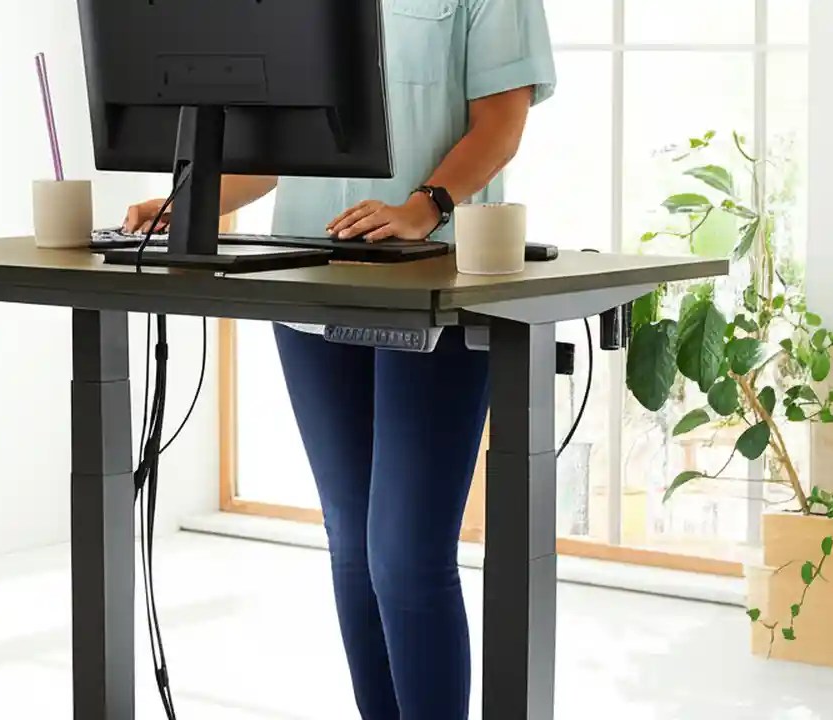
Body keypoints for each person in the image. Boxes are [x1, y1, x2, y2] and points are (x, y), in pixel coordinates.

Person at [124, 1, 555, 717]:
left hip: (433, 283)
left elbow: (501, 124)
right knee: (353, 548)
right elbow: (276, 152)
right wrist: (188, 200)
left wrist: (423, 207)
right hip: (309, 283)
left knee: (406, 557)